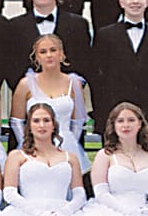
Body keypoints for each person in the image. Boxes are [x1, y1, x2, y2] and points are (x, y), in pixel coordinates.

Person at [89, 0, 148, 139]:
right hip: (113, 110)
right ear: (121, 3)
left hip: (147, 110)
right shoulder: (105, 35)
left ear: (147, 2)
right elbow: (98, 76)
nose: (135, 2)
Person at [11, 34, 91, 171]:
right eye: (43, 52)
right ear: (36, 57)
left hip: (66, 143)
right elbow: (17, 122)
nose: (49, 55)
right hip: (34, 144)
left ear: (61, 54)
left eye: (53, 50)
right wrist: (28, 144)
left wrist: (71, 143)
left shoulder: (74, 84)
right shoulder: (25, 84)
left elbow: (77, 123)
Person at [2, 0, 93, 81]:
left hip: (68, 91)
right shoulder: (15, 26)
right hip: (29, 93)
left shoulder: (78, 24)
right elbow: (11, 65)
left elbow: (84, 62)